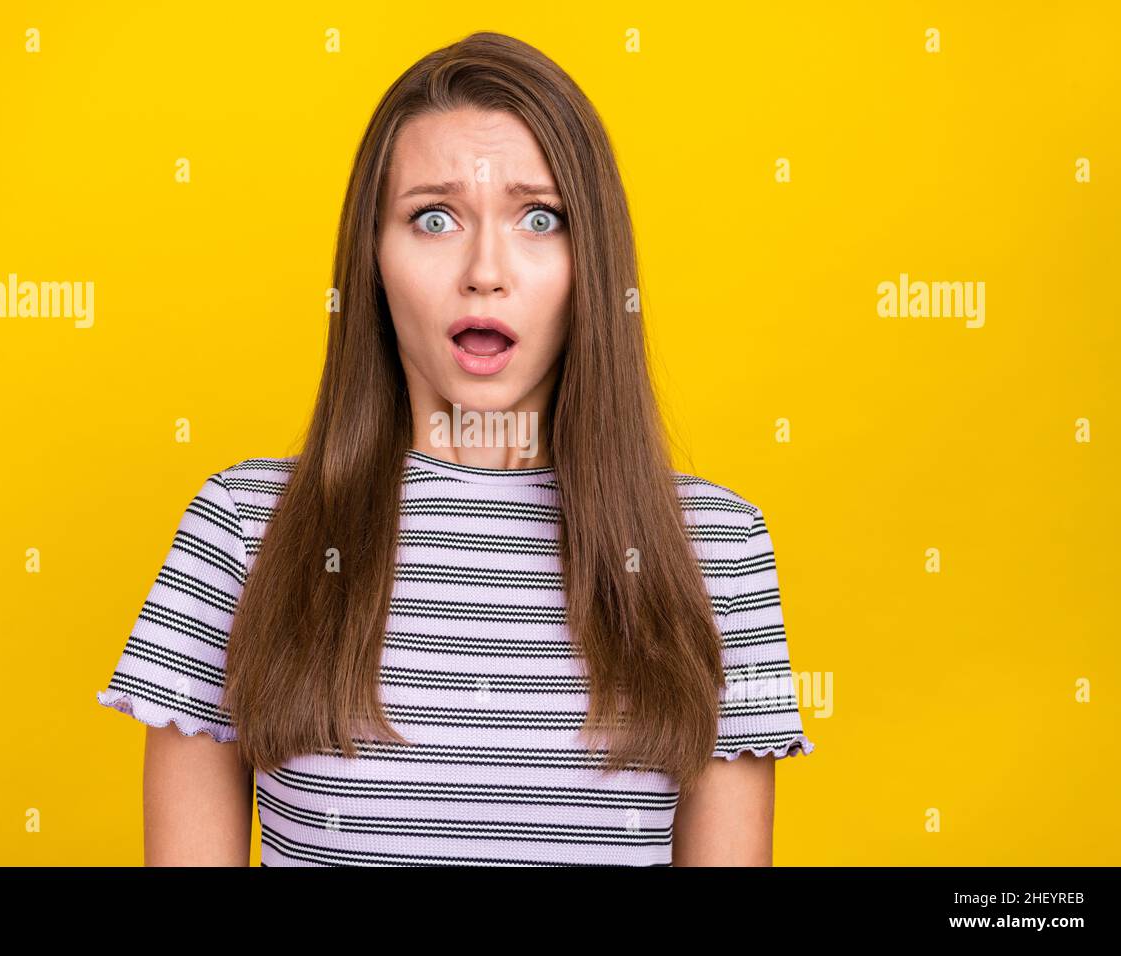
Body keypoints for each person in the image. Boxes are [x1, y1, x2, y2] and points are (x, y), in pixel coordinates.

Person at [97, 30, 814, 867]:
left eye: (539, 219)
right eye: (433, 218)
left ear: (594, 262)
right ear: (371, 260)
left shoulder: (716, 552)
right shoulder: (243, 530)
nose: (484, 270)